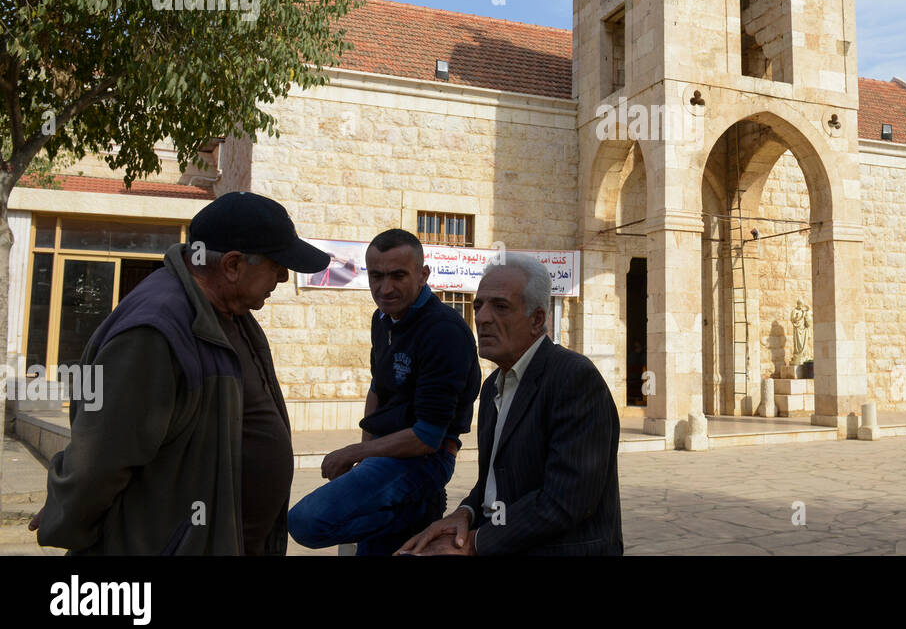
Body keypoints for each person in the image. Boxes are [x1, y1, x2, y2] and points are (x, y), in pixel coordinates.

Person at [32, 191, 329, 555]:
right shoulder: (154, 331)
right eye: (276, 265)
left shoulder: (226, 311)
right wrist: (67, 516)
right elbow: (100, 459)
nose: (283, 277)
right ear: (233, 265)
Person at [398, 252, 622, 556]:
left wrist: (474, 545)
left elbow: (567, 500)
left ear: (537, 320)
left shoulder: (574, 379)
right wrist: (463, 515)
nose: (482, 317)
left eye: (500, 306)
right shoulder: (493, 386)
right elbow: (494, 481)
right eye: (478, 305)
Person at [288, 229, 480, 556]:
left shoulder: (443, 331)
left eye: (397, 275)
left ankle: (415, 511)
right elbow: (379, 385)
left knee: (306, 521)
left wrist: (354, 454)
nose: (385, 288)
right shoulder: (383, 319)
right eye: (376, 276)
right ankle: (409, 516)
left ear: (423, 275)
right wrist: (368, 452)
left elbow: (427, 437)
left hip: (427, 459)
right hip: (386, 458)